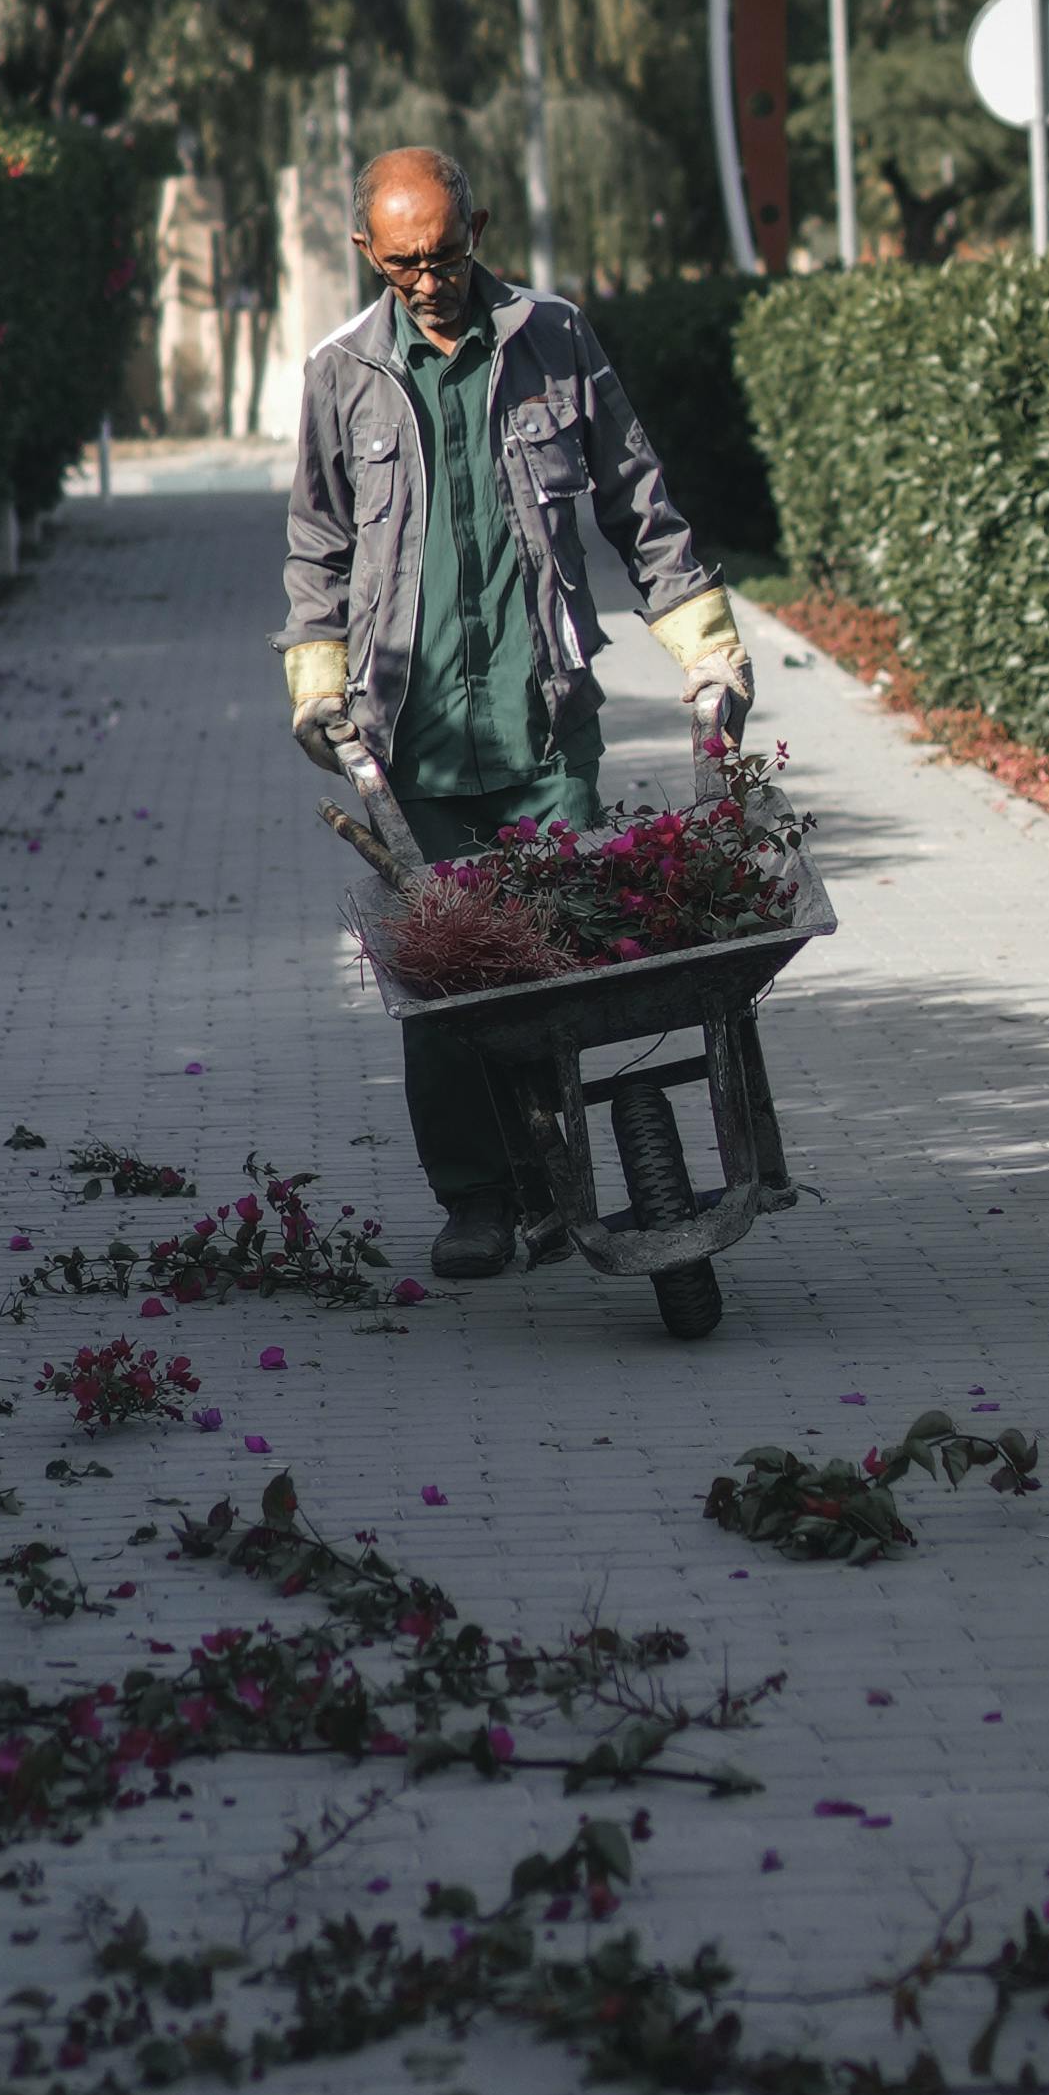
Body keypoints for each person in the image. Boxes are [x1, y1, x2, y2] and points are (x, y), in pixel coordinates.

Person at [277, 146, 754, 1280]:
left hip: (545, 727)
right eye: (403, 266)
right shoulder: (344, 372)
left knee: (562, 964)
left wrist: (710, 652)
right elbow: (318, 547)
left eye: (446, 255)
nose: (429, 281)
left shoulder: (555, 340)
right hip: (414, 740)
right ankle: (480, 1200)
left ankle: (568, 1175)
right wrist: (315, 690)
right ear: (367, 254)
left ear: (479, 228)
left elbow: (644, 510)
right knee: (449, 991)